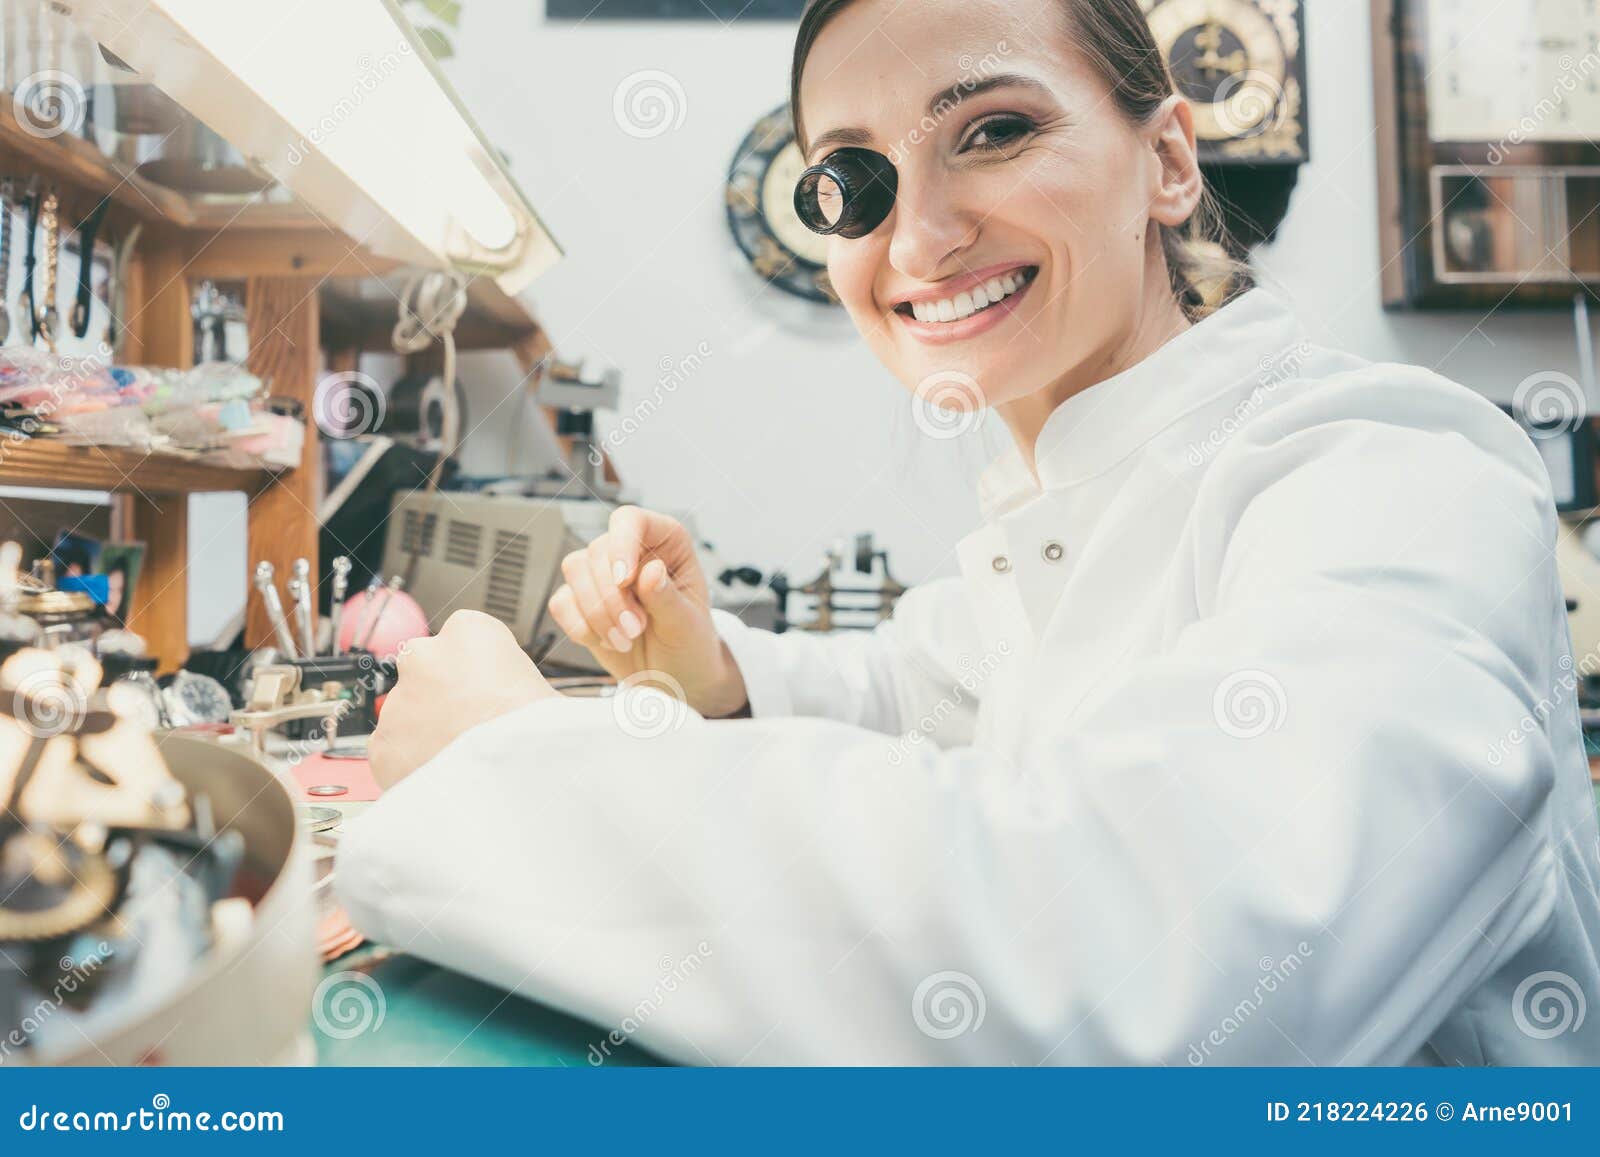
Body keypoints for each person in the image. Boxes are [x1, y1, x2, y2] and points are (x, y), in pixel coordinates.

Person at [341, 0, 1600, 1064]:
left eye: (993, 130)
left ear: (1167, 161)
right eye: (855, 179)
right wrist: (713, 671)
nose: (921, 236)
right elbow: (907, 691)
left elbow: (1168, 974)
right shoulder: (1063, 512)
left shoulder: (1387, 471)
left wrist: (518, 758)